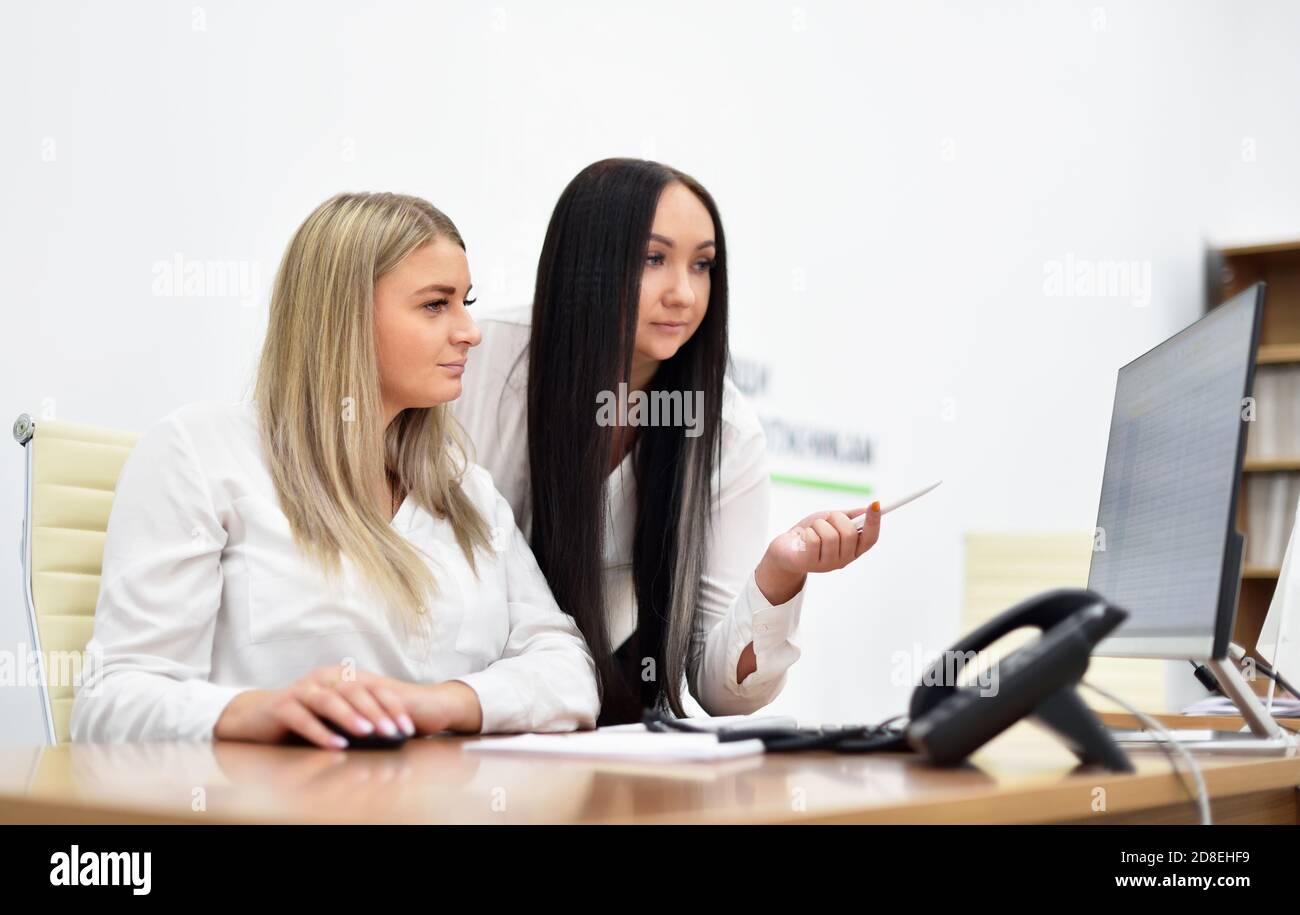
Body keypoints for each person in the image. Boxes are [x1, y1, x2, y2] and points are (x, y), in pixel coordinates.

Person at [72, 192, 599, 747]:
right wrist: (255, 713)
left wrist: (441, 702)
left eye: (465, 301)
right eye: (435, 305)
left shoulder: (463, 485)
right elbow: (110, 701)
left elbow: (566, 668)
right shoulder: (199, 453)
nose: (470, 331)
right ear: (341, 315)